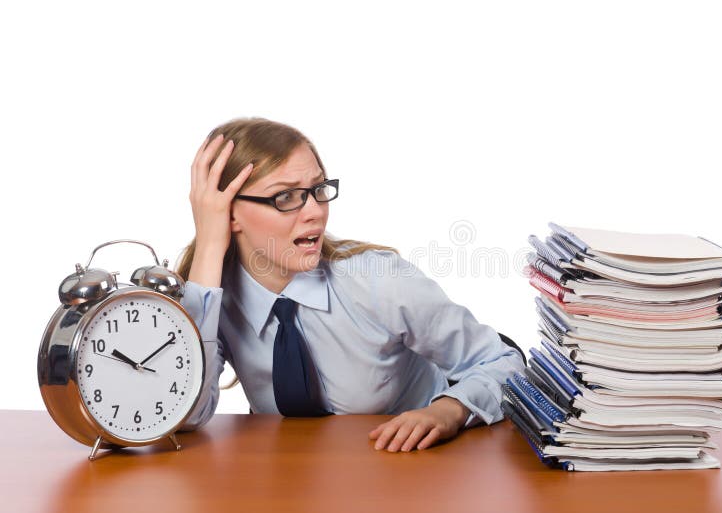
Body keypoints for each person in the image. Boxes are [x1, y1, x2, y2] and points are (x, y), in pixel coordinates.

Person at [177, 117, 524, 452]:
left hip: (409, 464)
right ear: (229, 214)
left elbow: (504, 363)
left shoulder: (380, 281)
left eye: (317, 190)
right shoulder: (212, 295)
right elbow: (188, 416)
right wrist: (209, 245)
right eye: (285, 197)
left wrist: (448, 410)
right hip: (287, 475)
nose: (315, 212)